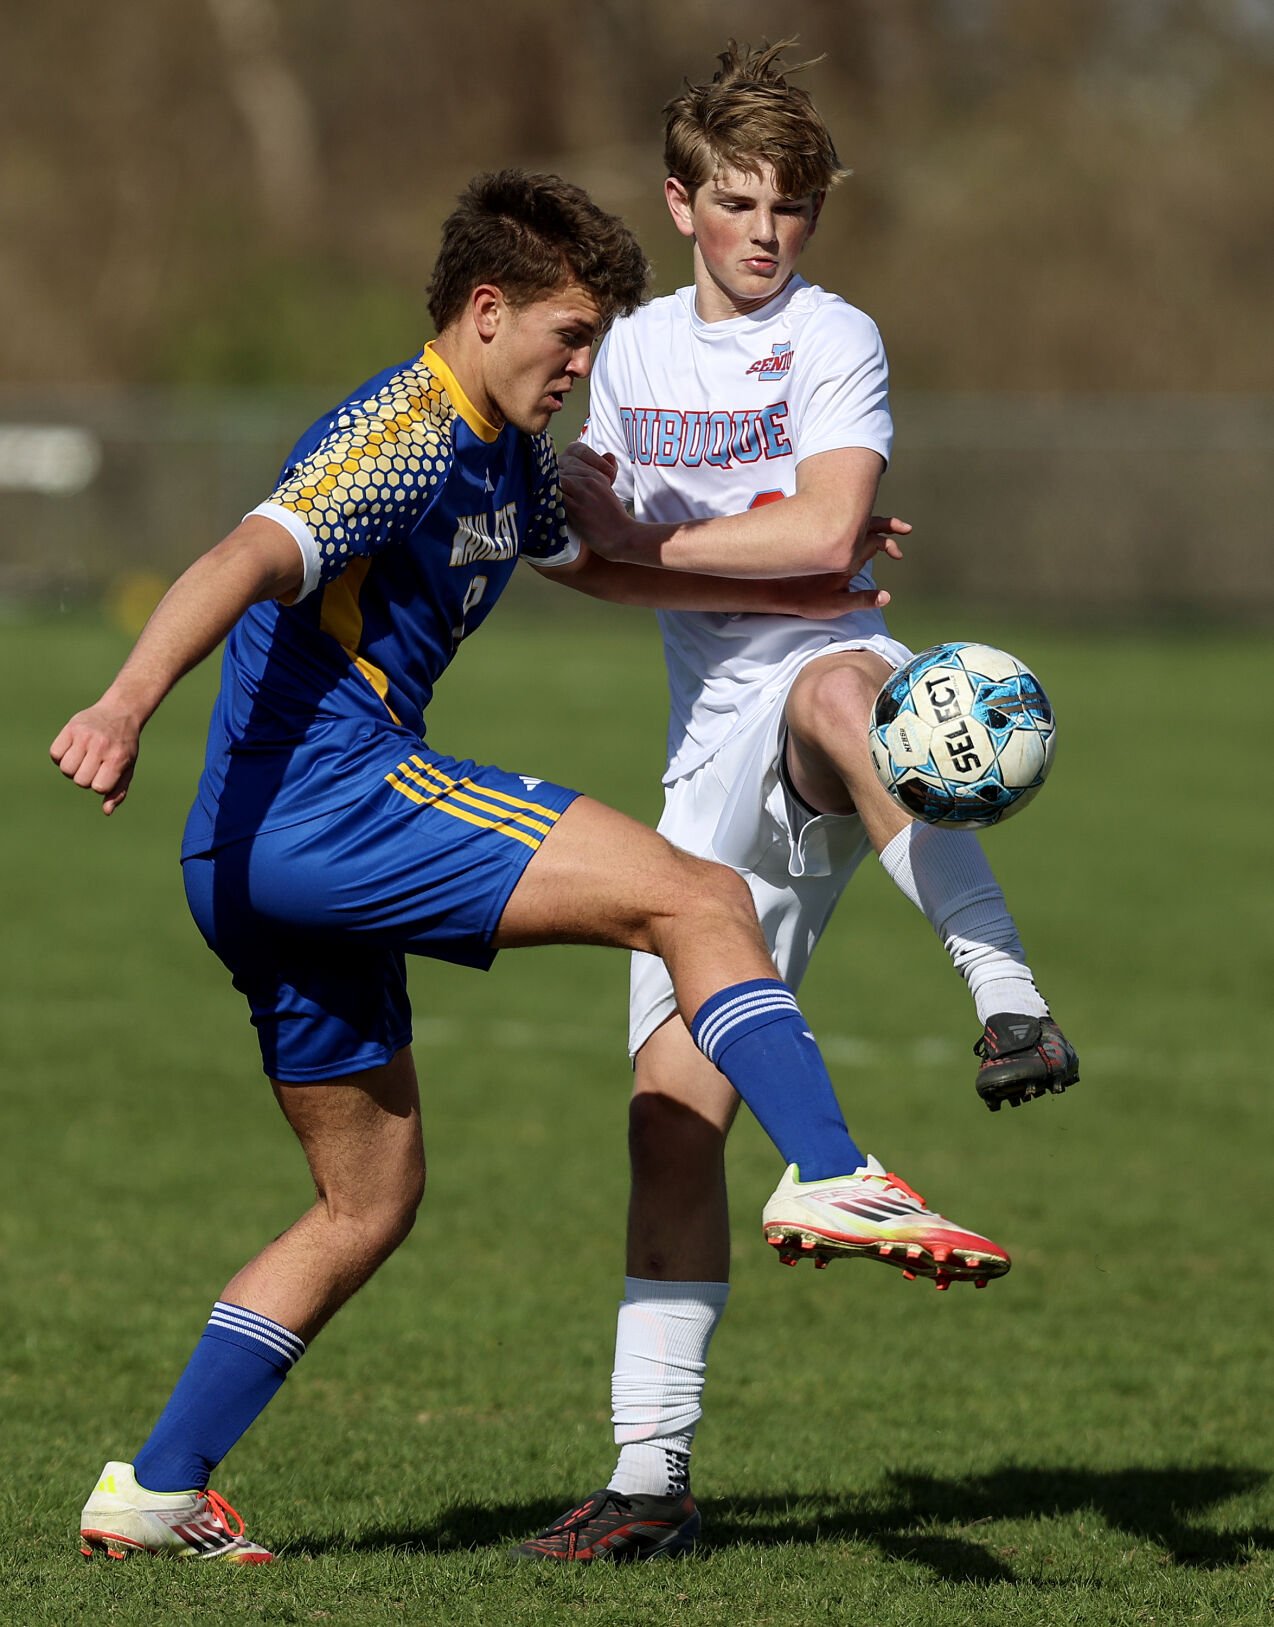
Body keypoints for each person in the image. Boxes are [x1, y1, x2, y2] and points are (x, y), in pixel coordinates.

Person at [52, 169, 1008, 1565]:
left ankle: (154, 1488)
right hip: (332, 801)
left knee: (367, 1202)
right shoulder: (409, 428)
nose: (584, 366)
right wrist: (126, 699)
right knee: (701, 896)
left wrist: (814, 582)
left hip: (250, 859)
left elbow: (614, 565)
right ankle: (825, 1166)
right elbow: (247, 551)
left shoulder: (509, 457)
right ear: (484, 311)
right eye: (568, 337)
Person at [512, 44, 1080, 1563]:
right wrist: (710, 547)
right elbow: (573, 558)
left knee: (844, 688)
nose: (770, 233)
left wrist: (720, 548)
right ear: (682, 201)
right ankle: (648, 1486)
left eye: (796, 208)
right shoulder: (627, 353)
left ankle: (1007, 999)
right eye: (745, 204)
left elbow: (825, 529)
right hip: (706, 757)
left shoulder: (836, 335)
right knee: (669, 1124)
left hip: (827, 674)